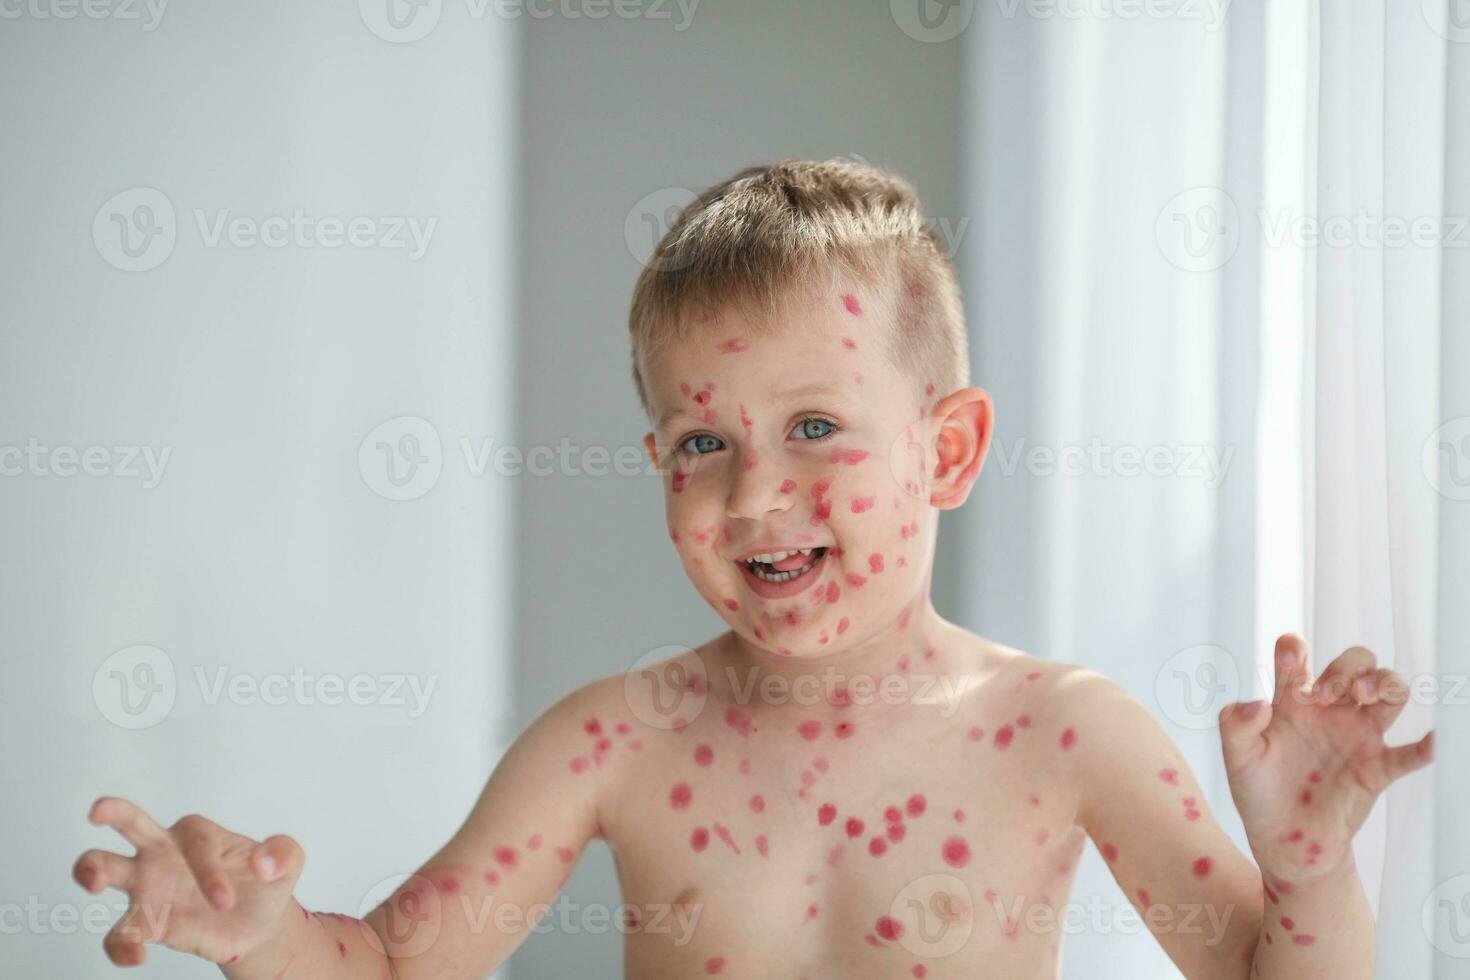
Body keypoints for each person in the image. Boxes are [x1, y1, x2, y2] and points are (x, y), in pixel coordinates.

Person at [74, 158, 1434, 978]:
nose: (754, 493)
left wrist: (1309, 873)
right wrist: (259, 937)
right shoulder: (611, 740)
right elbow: (385, 965)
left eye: (815, 429)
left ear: (948, 451)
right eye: (700, 440)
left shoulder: (1059, 729)